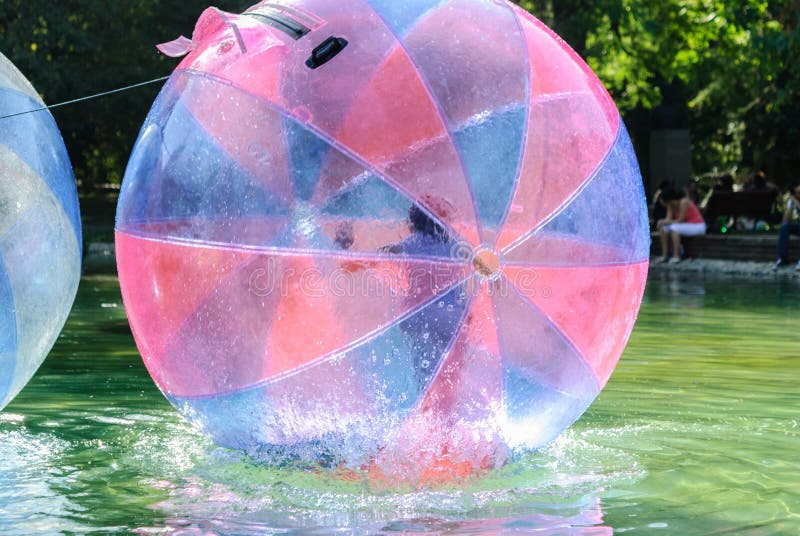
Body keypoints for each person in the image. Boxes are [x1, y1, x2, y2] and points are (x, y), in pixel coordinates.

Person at [656, 188, 707, 263]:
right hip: (685, 226)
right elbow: (668, 220)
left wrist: (664, 221)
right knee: (663, 228)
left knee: (674, 228)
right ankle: (664, 255)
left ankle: (676, 256)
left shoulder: (684, 202)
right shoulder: (671, 206)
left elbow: (680, 220)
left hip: (697, 226)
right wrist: (662, 222)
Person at [774, 183, 800, 271]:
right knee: (784, 227)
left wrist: (796, 202)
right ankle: (783, 258)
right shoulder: (792, 201)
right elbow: (786, 220)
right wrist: (791, 205)